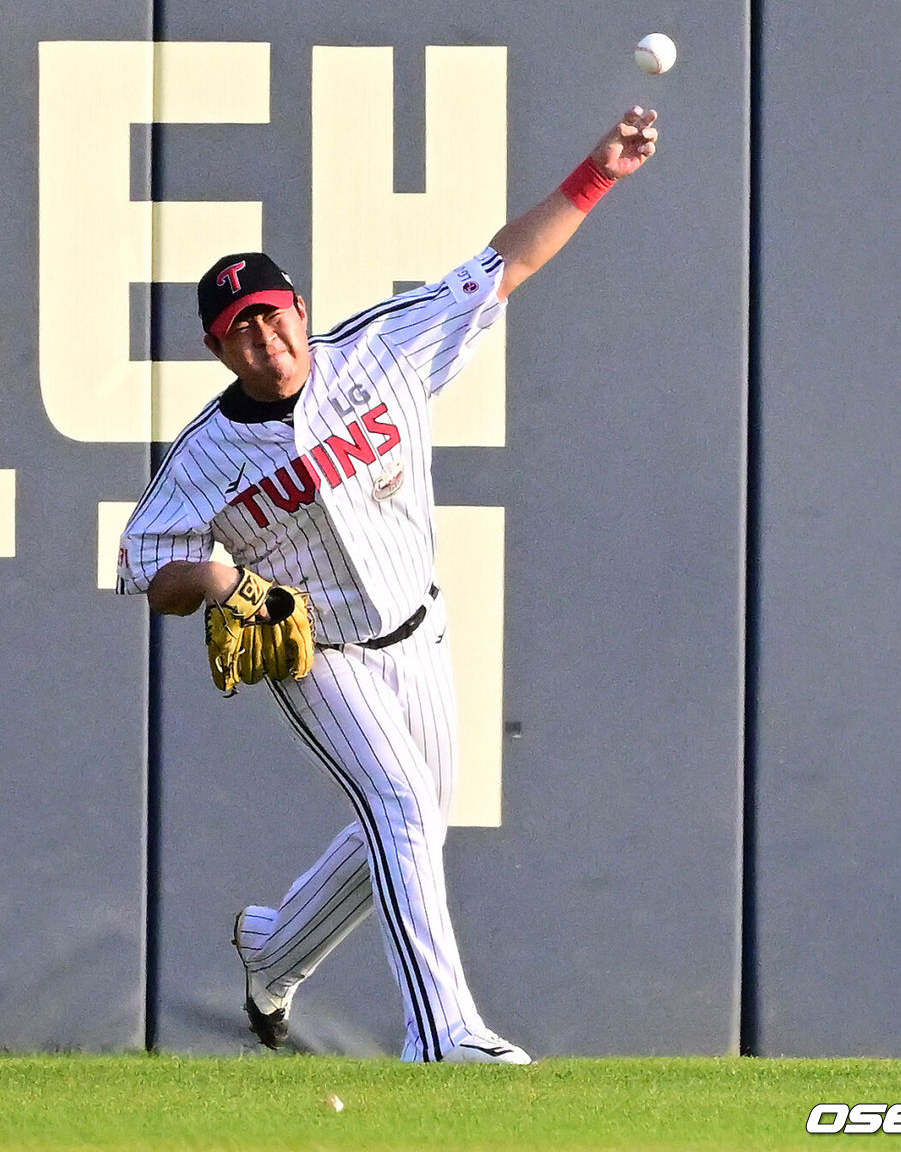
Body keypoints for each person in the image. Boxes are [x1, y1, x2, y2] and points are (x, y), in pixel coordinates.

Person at [117, 106, 659, 1063]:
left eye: (273, 315)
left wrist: (595, 175)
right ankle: (442, 1036)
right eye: (239, 329)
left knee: (411, 821)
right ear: (218, 349)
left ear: (300, 311)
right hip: (313, 651)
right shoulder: (203, 452)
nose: (264, 338)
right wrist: (202, 576)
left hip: (423, 630)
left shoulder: (382, 351)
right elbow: (141, 567)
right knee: (404, 809)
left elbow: (507, 264)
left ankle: (272, 947)